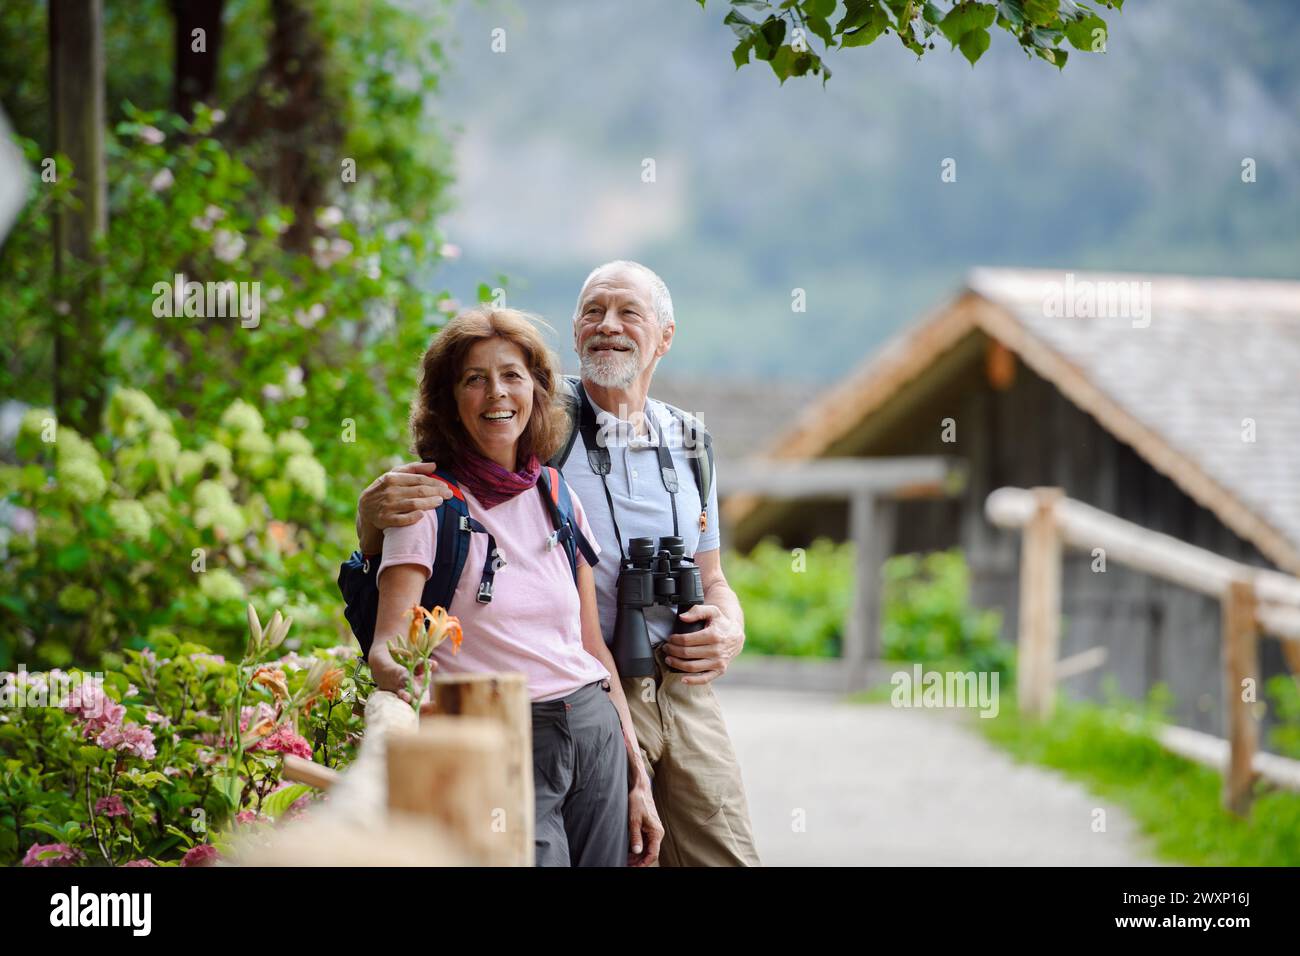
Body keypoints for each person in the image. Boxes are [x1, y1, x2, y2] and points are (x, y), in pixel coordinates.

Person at [359, 262, 760, 867]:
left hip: (674, 683)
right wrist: (369, 515)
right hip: (569, 684)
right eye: (593, 312)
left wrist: (730, 626)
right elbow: (440, 480)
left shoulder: (689, 440)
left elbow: (713, 577)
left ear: (666, 336)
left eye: (629, 313)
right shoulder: (542, 424)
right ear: (573, 333)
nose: (609, 327)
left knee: (728, 855)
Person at [368, 306, 663, 867]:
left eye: (512, 376)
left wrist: (636, 776)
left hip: (593, 729)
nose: (496, 393)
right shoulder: (425, 502)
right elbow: (388, 645)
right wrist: (407, 688)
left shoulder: (555, 493)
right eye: (474, 379)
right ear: (449, 401)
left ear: (537, 390)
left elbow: (591, 648)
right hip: (496, 735)